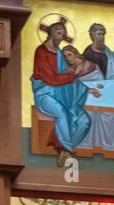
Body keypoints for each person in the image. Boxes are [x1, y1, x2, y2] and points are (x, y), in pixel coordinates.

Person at [32, 19, 97, 165]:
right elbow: (51, 79)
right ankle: (68, 148)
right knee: (62, 113)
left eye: (63, 34)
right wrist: (73, 75)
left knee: (85, 121)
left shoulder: (61, 54)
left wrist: (85, 89)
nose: (61, 37)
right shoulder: (41, 52)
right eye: (59, 33)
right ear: (51, 34)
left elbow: (68, 78)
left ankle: (65, 152)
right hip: (45, 93)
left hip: (64, 95)